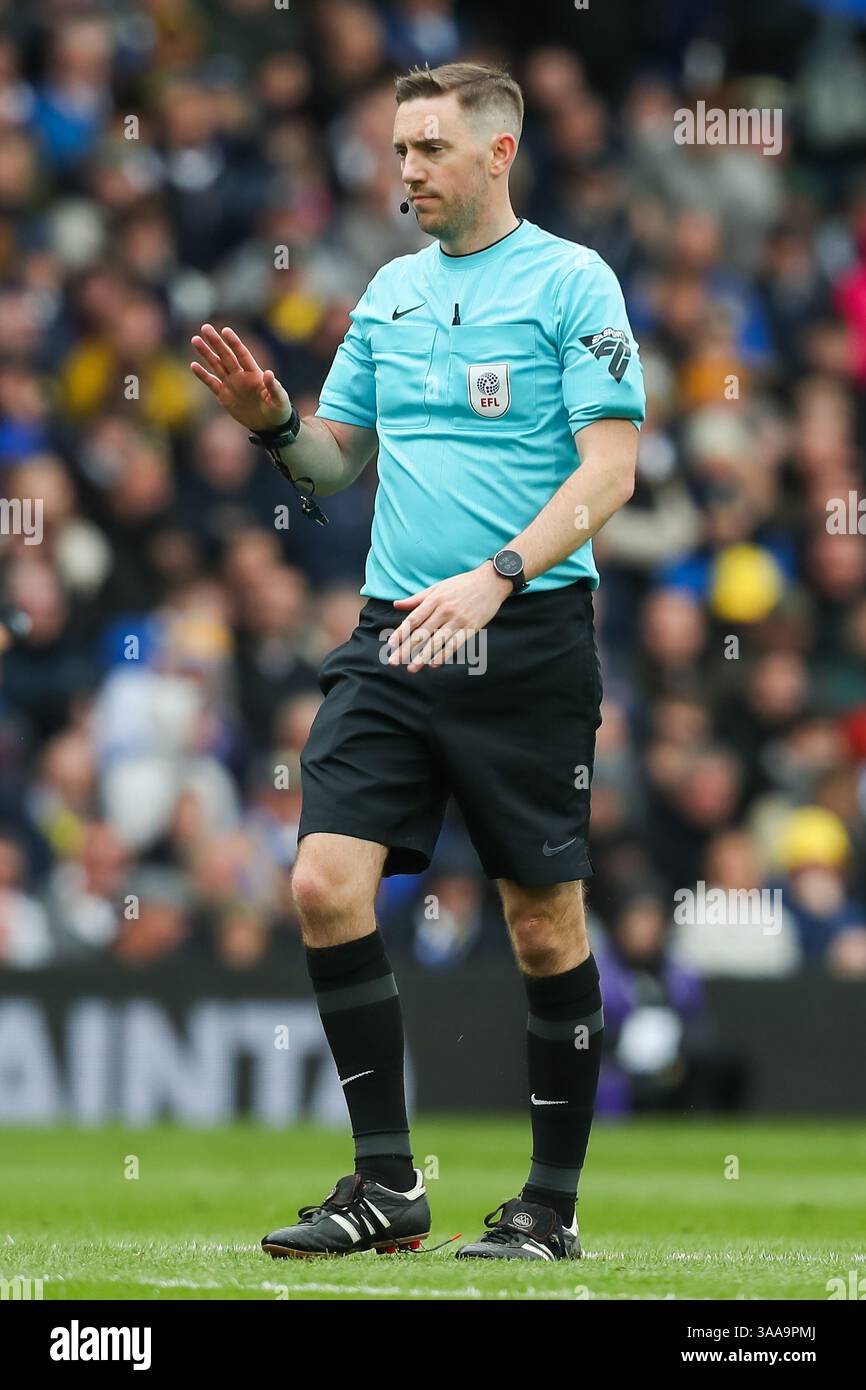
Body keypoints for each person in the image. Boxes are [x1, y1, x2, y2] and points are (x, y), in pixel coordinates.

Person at [190, 62, 645, 1262]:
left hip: (527, 636)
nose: (407, 172)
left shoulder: (569, 281)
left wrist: (496, 574)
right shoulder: (386, 294)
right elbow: (336, 465)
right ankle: (385, 1186)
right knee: (322, 883)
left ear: (497, 152)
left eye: (429, 149)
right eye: (398, 151)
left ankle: (547, 1206)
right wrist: (276, 426)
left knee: (541, 922)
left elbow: (609, 473)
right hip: (395, 631)